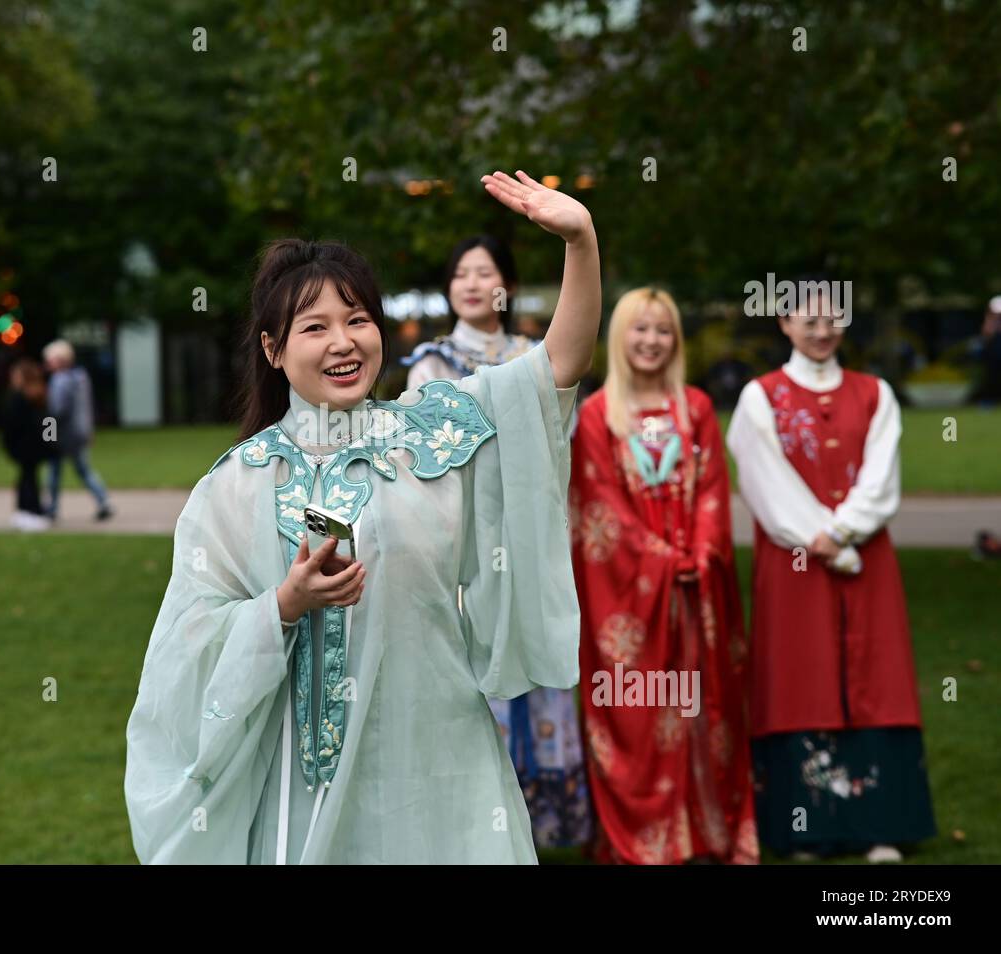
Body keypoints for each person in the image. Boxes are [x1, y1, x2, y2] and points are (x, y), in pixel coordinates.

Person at [124, 169, 600, 863]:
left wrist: (580, 241)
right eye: (315, 327)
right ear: (273, 349)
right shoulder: (239, 483)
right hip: (300, 780)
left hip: (436, 756)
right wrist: (281, 607)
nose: (343, 342)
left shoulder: (435, 431)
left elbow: (556, 368)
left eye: (358, 319)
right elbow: (184, 646)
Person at [726, 286, 936, 863]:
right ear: (785, 324)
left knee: (877, 677)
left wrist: (843, 535)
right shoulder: (760, 396)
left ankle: (880, 828)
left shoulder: (876, 394)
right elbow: (764, 481)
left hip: (865, 559)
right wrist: (821, 539)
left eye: (832, 318)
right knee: (800, 676)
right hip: (795, 563)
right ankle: (805, 829)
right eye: (808, 318)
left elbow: (881, 476)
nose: (821, 329)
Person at [404, 234, 592, 850]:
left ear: (506, 283)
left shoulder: (535, 354)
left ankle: (538, 824)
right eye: (459, 273)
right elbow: (425, 443)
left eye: (483, 271)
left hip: (529, 523)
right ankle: (473, 824)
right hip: (463, 527)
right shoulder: (431, 361)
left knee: (532, 645)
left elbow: (562, 429)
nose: (470, 282)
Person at [570, 288, 757, 864]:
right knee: (640, 711)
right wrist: (659, 558)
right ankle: (647, 839)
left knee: (703, 706)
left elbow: (712, 492)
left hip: (697, 586)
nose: (651, 341)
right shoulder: (599, 414)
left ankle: (705, 833)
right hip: (632, 595)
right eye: (639, 329)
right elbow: (599, 509)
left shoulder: (695, 407)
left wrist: (699, 553)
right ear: (619, 337)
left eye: (663, 331)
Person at [402, 235, 536, 390]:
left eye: (484, 274)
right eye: (460, 275)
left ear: (510, 287)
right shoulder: (433, 362)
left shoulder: (531, 357)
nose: (471, 286)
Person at [43, 339, 112, 521]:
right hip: (80, 432)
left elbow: (56, 410)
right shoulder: (81, 378)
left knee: (54, 472)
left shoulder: (59, 381)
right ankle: (103, 500)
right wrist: (89, 430)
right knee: (84, 470)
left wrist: (45, 428)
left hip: (61, 434)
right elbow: (86, 408)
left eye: (50, 359)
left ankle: (52, 507)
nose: (48, 363)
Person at [2, 358, 56, 532]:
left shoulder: (19, 397)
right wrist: (51, 441)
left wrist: (9, 443)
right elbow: (50, 420)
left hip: (25, 445)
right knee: (30, 477)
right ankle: (32, 510)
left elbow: (11, 424)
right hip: (36, 445)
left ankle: (28, 511)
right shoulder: (40, 394)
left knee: (27, 478)